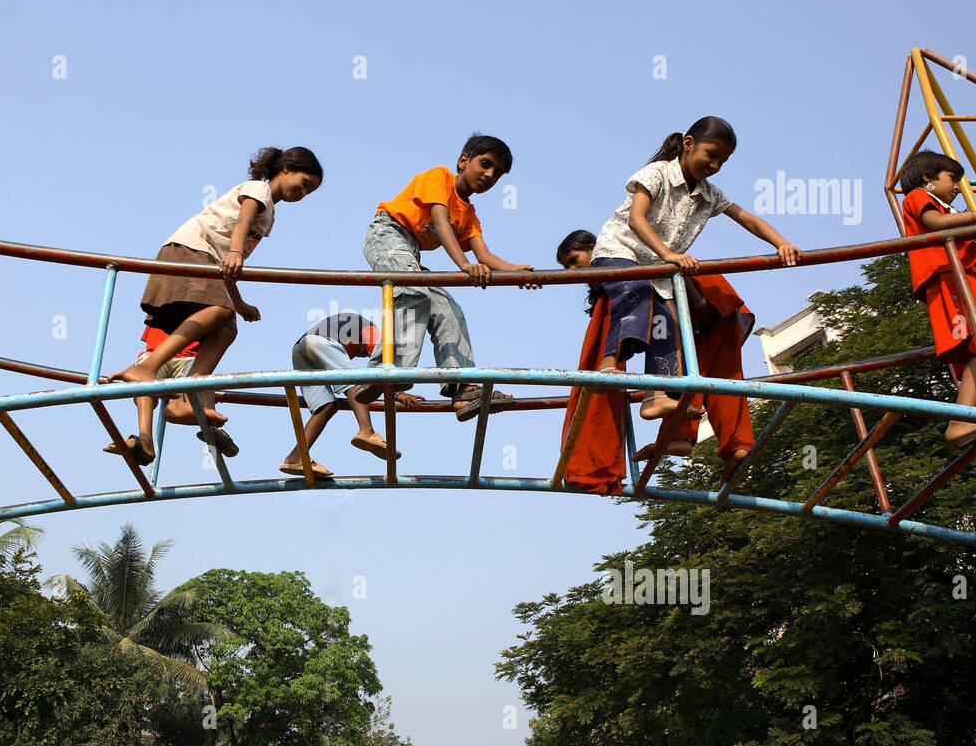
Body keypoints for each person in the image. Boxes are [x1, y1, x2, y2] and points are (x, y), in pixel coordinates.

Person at [105, 146, 323, 463]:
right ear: (286, 168)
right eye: (303, 183)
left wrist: (239, 301)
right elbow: (239, 228)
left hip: (207, 261)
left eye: (309, 192)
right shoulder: (258, 189)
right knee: (221, 314)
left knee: (225, 327)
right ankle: (147, 369)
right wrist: (235, 254)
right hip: (190, 250)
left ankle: (187, 394)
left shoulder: (271, 214)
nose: (302, 193)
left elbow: (227, 265)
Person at [589, 116, 800, 421]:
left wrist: (781, 243)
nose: (714, 165)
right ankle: (609, 364)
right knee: (636, 295)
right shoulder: (658, 173)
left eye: (722, 162)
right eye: (711, 155)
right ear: (689, 144)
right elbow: (637, 219)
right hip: (620, 251)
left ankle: (655, 396)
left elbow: (747, 218)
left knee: (668, 321)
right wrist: (669, 255)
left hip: (658, 267)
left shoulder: (709, 194)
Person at [556, 229, 757, 490]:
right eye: (566, 266)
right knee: (711, 376)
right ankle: (724, 443)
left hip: (699, 297)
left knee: (719, 373)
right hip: (699, 305)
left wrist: (611, 359)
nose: (572, 271)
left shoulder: (619, 262)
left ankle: (685, 427)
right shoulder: (615, 280)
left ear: (595, 247)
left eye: (574, 259)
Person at [357, 133, 538, 421]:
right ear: (463, 161)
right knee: (413, 292)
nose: (489, 175)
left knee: (449, 311)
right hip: (387, 233)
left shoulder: (470, 215)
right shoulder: (439, 177)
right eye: (485, 164)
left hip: (412, 254)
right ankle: (385, 370)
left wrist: (516, 272)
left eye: (498, 174)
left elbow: (486, 257)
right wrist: (464, 265)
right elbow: (440, 221)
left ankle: (463, 388)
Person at [897, 150, 976, 446]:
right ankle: (960, 422)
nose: (959, 187)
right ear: (927, 177)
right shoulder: (920, 198)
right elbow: (934, 223)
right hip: (951, 282)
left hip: (967, 282)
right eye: (953, 178)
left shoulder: (954, 224)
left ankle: (968, 419)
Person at [280, 312, 423, 477]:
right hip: (321, 342)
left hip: (300, 349)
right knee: (355, 382)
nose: (362, 356)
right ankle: (366, 431)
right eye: (362, 353)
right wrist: (398, 392)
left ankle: (296, 456)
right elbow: (381, 363)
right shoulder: (370, 328)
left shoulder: (346, 330)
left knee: (326, 406)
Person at [101, 325, 200, 467]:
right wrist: (128, 371)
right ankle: (144, 441)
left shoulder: (200, 307)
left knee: (197, 376)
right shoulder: (157, 308)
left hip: (189, 359)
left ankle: (208, 425)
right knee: (143, 372)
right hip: (157, 361)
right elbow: (151, 351)